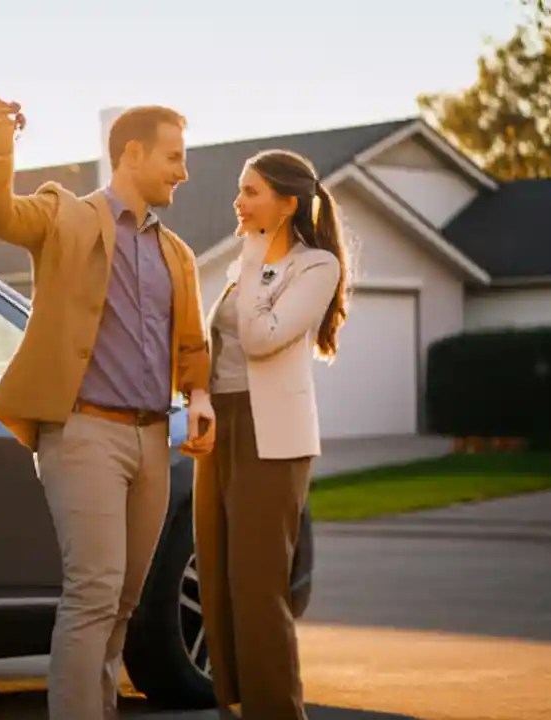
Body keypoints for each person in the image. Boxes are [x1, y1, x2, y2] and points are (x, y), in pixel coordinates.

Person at [0, 98, 216, 720]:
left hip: (151, 441)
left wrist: (201, 396)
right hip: (84, 433)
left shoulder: (178, 256)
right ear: (132, 154)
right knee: (93, 594)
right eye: (173, 159)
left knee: (125, 601)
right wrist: (1, 149)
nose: (182, 173)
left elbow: (190, 340)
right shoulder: (67, 216)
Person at [194, 149, 349, 720]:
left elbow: (262, 340)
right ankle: (238, 705)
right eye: (240, 189)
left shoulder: (316, 266)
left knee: (260, 588)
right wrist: (201, 402)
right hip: (224, 426)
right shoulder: (245, 265)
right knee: (219, 576)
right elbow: (220, 346)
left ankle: (278, 712)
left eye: (251, 191)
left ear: (287, 203)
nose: (239, 201)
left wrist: (257, 254)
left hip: (274, 437)